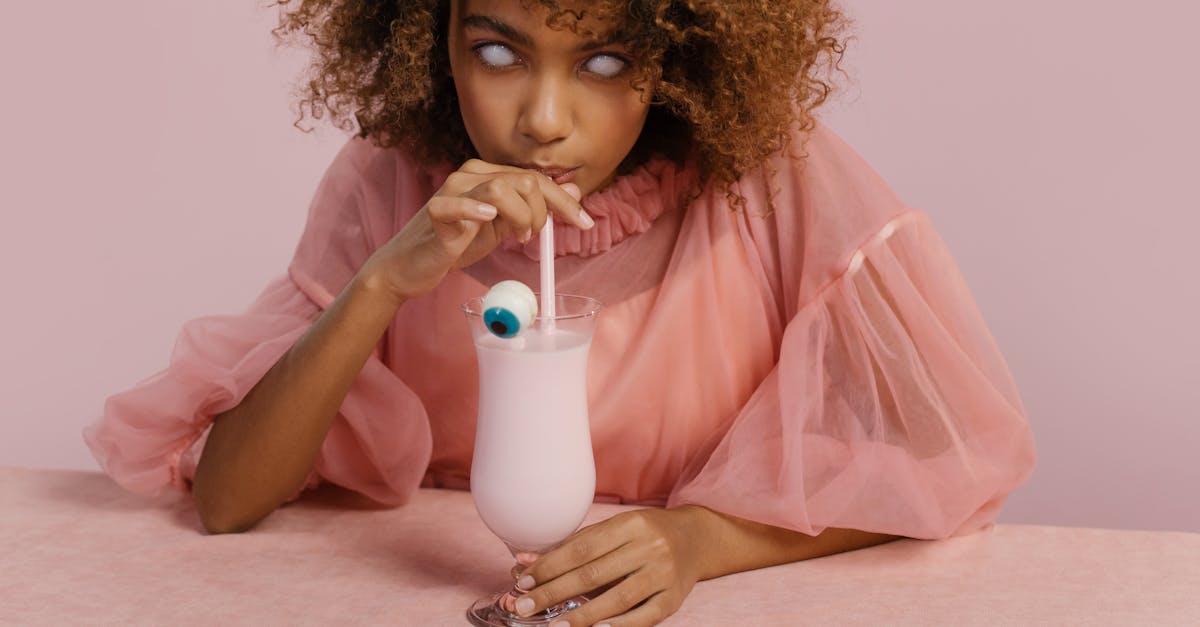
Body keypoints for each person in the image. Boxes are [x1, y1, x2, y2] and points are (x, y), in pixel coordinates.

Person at [83, 1, 1037, 624]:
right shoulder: (391, 182)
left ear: (682, 58)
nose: (543, 118)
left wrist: (703, 539)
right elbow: (228, 500)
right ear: (431, 34)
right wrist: (382, 282)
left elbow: (947, 453)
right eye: (497, 51)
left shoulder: (767, 182)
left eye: (606, 60)